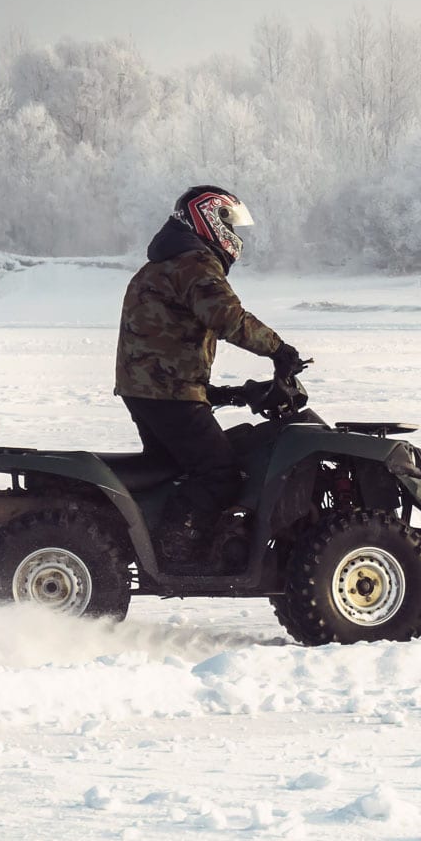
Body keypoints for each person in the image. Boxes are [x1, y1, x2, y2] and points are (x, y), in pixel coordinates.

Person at [114, 185, 305, 567]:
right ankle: (176, 547)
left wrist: (220, 393)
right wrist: (279, 350)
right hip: (168, 393)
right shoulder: (193, 264)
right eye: (229, 223)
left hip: (153, 388)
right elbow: (228, 318)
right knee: (220, 472)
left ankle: (160, 537)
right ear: (208, 219)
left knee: (175, 470)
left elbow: (163, 343)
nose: (235, 235)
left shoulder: (165, 263)